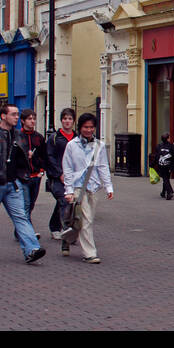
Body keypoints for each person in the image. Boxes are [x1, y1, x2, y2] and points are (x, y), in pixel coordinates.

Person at [0, 102, 46, 264]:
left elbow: (20, 159)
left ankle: (31, 249)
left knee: (21, 216)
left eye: (17, 114)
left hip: (12, 184)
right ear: (3, 116)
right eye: (13, 114)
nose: (16, 117)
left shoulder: (18, 135)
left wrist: (24, 170)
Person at [61, 112, 113, 263]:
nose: (89, 130)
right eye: (85, 127)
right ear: (80, 127)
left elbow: (103, 166)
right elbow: (68, 168)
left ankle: (67, 238)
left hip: (93, 187)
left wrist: (108, 187)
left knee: (80, 221)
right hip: (78, 187)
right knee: (86, 220)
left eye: (91, 127)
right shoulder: (71, 145)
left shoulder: (99, 145)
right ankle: (90, 253)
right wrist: (69, 190)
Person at [44, 108, 76, 240]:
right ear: (61, 120)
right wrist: (59, 174)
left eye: (69, 119)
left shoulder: (76, 138)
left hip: (73, 177)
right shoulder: (54, 138)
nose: (67, 121)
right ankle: (67, 231)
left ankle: (54, 227)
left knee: (64, 203)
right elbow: (50, 157)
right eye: (65, 119)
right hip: (57, 178)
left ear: (73, 121)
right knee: (63, 200)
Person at [18, 109, 47, 225]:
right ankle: (27, 232)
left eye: (34, 119)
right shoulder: (17, 136)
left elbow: (43, 155)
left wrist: (41, 170)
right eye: (29, 119)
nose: (32, 121)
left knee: (31, 204)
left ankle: (20, 229)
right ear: (23, 121)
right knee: (25, 203)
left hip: (36, 175)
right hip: (23, 176)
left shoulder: (38, 137)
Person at [153, 134, 174, 200]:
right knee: (166, 178)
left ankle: (166, 192)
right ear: (168, 139)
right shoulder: (172, 146)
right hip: (169, 166)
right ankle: (168, 192)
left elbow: (156, 157)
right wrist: (173, 167)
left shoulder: (159, 146)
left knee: (165, 178)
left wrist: (153, 164)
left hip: (161, 165)